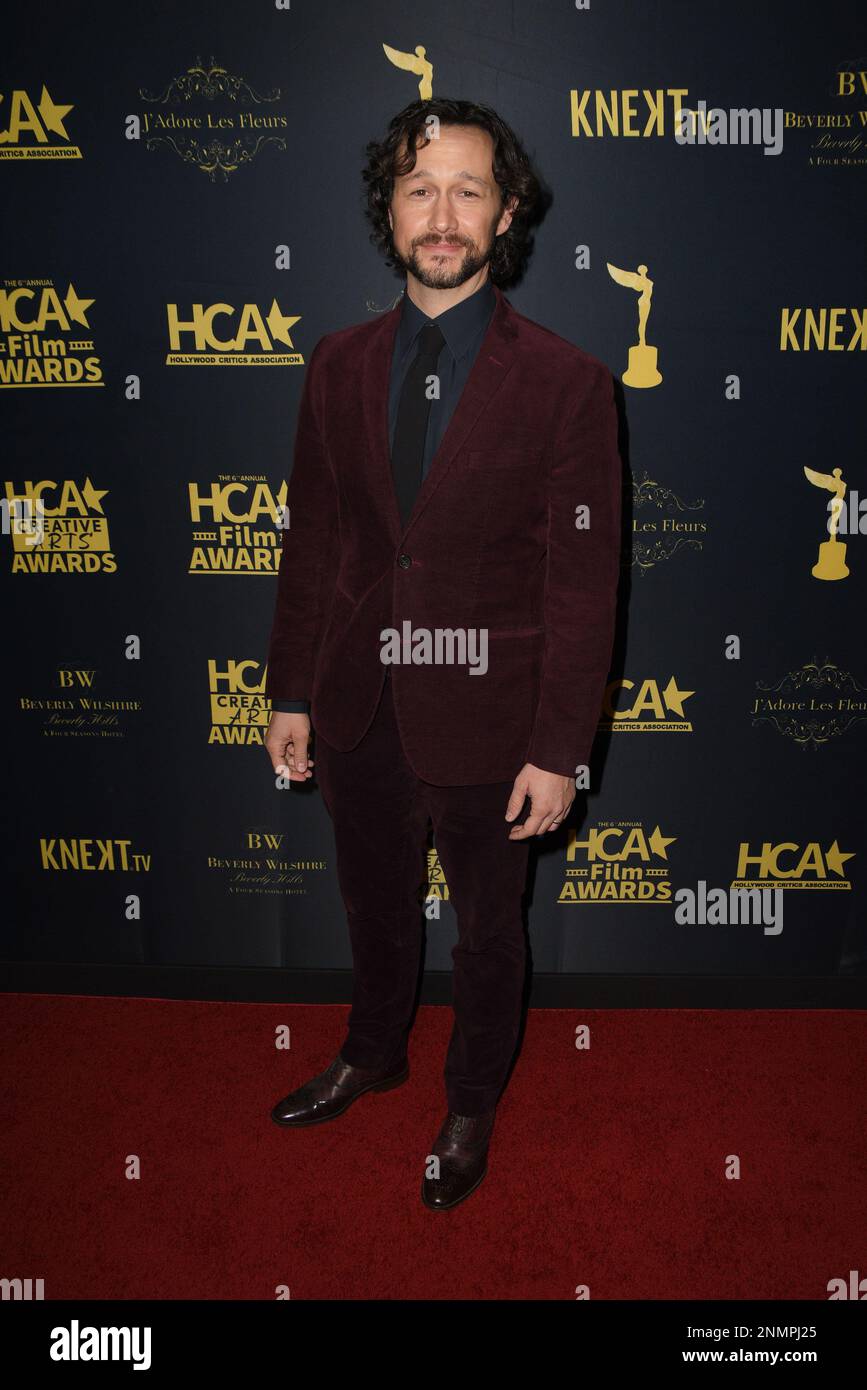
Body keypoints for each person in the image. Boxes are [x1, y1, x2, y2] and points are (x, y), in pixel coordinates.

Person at [263, 97, 622, 1210]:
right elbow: (315, 541)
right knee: (372, 907)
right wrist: (289, 691)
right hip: (358, 703)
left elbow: (583, 587)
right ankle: (373, 1052)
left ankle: (469, 1102)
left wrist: (559, 749)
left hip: (494, 720)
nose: (443, 214)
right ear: (389, 208)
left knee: (486, 936)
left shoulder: (568, 383)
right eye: (419, 189)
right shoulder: (335, 364)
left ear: (506, 214)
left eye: (469, 190)